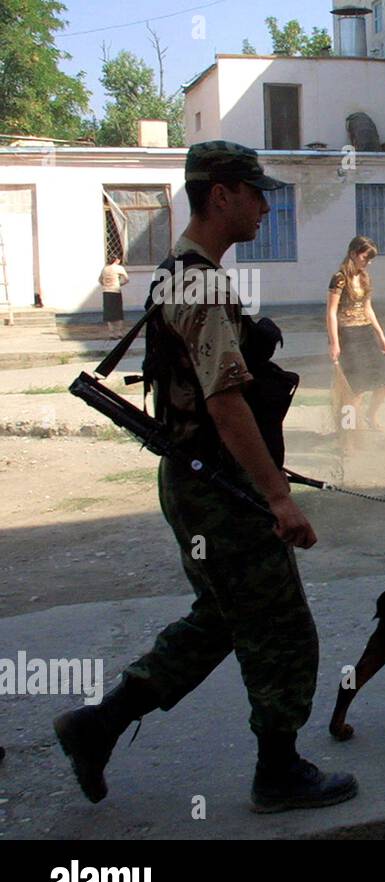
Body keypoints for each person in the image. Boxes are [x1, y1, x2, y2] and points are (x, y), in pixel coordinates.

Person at [53, 141, 358, 813]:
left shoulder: (177, 274)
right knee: (281, 630)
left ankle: (96, 726)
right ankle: (278, 774)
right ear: (221, 195)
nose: (265, 204)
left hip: (199, 482)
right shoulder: (201, 282)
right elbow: (224, 401)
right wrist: (277, 497)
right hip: (221, 490)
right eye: (256, 192)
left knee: (223, 619)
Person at [327, 236, 385, 431]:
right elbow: (331, 312)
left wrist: (380, 334)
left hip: (365, 333)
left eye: (370, 259)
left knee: (383, 383)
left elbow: (368, 308)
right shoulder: (339, 278)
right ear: (353, 254)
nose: (368, 262)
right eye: (365, 257)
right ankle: (348, 432)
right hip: (347, 335)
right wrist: (334, 343)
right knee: (354, 388)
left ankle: (370, 417)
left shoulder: (364, 277)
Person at [99, 256, 129, 337]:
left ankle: (111, 333)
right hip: (115, 291)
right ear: (116, 260)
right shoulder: (119, 268)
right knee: (118, 312)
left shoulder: (105, 269)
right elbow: (126, 279)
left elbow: (100, 280)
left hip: (106, 292)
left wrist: (105, 285)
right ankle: (119, 332)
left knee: (109, 312)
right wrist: (120, 284)